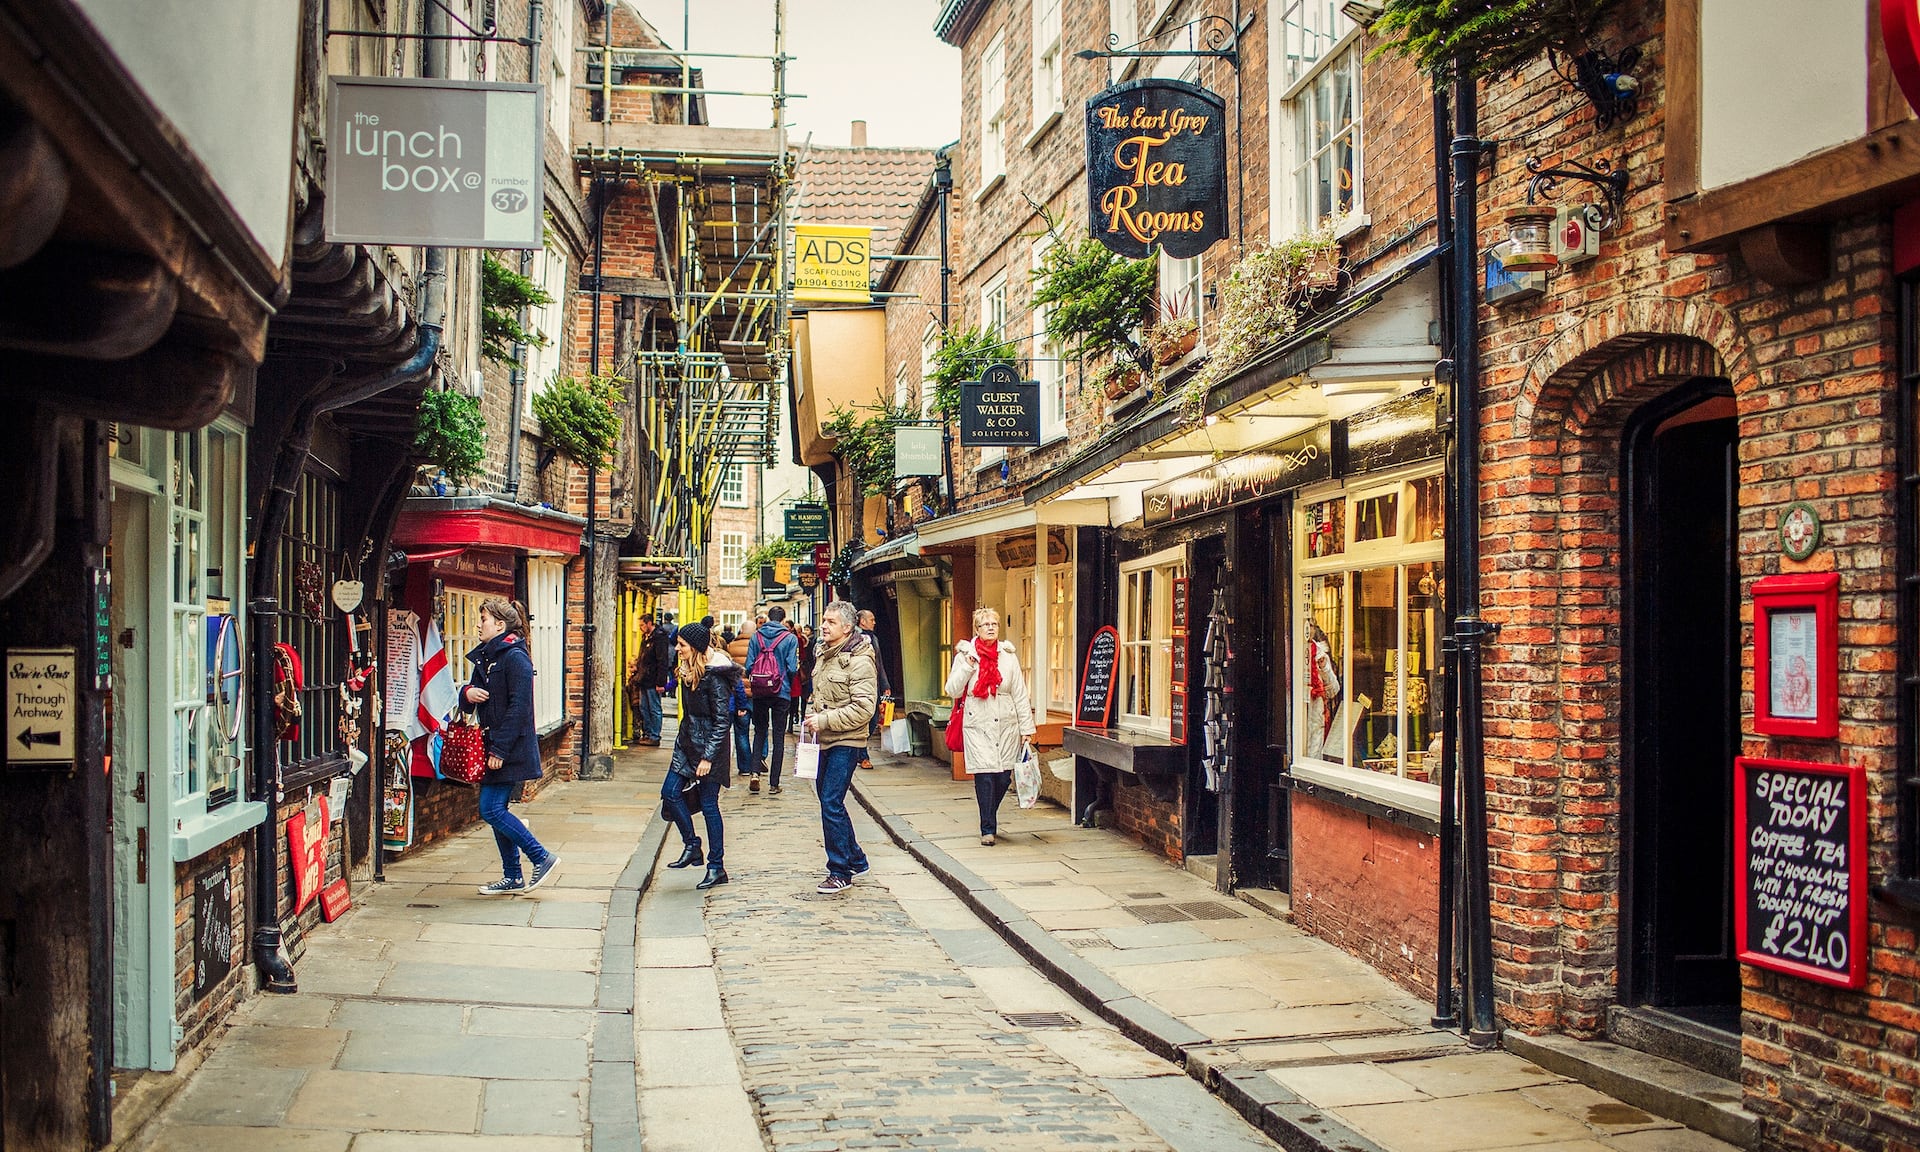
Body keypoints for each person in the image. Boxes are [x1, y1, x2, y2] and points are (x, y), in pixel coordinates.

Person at [461, 599, 560, 894]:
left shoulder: (515, 658)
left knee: (490, 810)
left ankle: (541, 856)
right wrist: (468, 693)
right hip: (493, 745)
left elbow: (520, 708)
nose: (479, 624)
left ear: (500, 625)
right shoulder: (488, 657)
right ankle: (513, 876)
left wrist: (499, 750)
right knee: (497, 810)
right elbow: (470, 693)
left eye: (484, 619)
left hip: (508, 750)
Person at [944, 607, 1035, 846]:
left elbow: (1019, 693)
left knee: (1003, 777)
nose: (991, 627)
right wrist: (968, 666)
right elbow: (952, 689)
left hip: (1007, 724)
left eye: (994, 623)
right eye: (986, 624)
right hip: (978, 723)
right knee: (984, 776)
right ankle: (987, 828)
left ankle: (989, 814)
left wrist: (1027, 729)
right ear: (977, 629)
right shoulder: (965, 655)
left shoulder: (1008, 655)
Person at [804, 600, 876, 893]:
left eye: (831, 622)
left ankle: (839, 870)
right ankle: (856, 858)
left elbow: (864, 708)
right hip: (822, 740)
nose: (824, 625)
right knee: (828, 799)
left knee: (831, 801)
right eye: (824, 620)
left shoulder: (860, 660)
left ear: (847, 628)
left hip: (847, 740)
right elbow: (820, 693)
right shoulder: (823, 654)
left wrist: (825, 720)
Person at [661, 622, 736, 890]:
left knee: (708, 805)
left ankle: (717, 867)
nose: (677, 649)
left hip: (709, 749)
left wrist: (708, 758)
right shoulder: (687, 672)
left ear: (695, 647)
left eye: (682, 645)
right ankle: (692, 845)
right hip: (687, 744)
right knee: (670, 792)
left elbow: (721, 721)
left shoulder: (715, 677)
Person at [746, 605, 800, 794]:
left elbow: (749, 665)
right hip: (781, 692)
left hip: (760, 692)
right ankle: (774, 783)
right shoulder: (790, 638)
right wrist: (785, 681)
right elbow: (792, 667)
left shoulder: (756, 636)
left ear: (769, 618)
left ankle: (754, 773)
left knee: (759, 732)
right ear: (783, 619)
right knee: (778, 737)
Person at [857, 609, 893, 768]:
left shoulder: (874, 639)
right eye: (871, 619)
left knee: (873, 720)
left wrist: (885, 685)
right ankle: (862, 756)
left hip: (874, 686)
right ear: (862, 622)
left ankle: (859, 751)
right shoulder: (855, 638)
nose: (874, 622)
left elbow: (879, 663)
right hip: (860, 685)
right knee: (864, 721)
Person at [628, 615, 671, 747]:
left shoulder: (658, 638)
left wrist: (660, 682)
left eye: (642, 625)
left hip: (652, 679)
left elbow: (662, 661)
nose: (640, 628)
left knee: (654, 708)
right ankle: (647, 733)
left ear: (649, 623)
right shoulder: (647, 638)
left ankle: (654, 735)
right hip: (644, 678)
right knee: (644, 707)